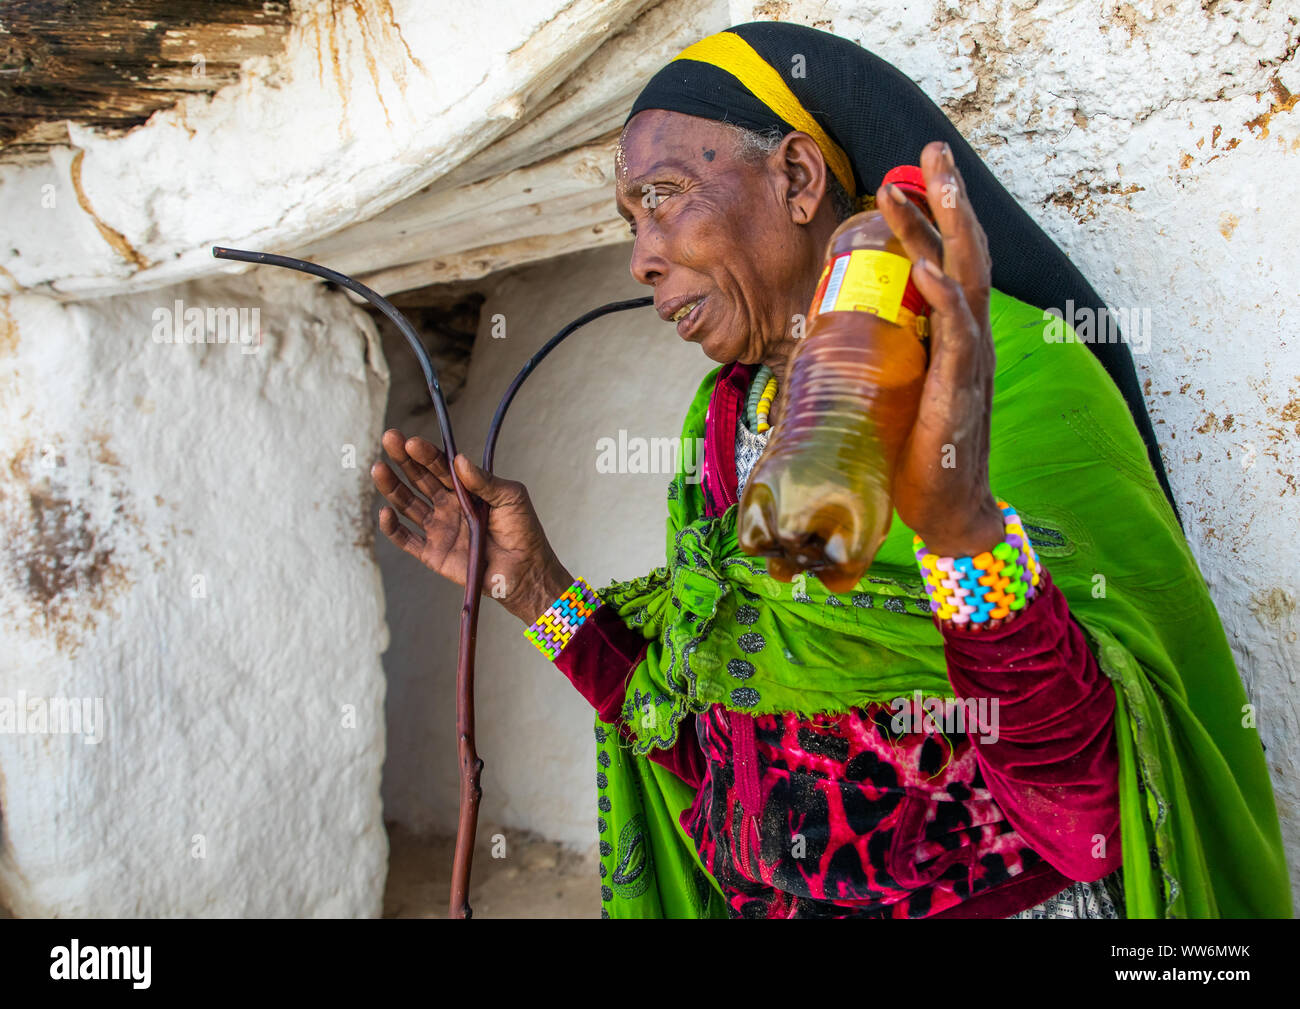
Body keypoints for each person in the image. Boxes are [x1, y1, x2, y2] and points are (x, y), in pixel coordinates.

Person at [370, 22, 1290, 918]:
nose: (642, 257)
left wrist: (962, 536)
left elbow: (1090, 808)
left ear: (799, 177)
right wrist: (537, 590)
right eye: (628, 221)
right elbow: (715, 746)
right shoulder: (726, 421)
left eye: (663, 196)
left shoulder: (1019, 375)